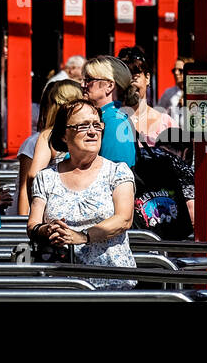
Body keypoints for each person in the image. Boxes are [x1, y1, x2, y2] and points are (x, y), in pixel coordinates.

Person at [27, 99, 136, 288]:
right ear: (64, 135)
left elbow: (124, 219)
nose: (93, 132)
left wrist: (83, 236)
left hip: (112, 284)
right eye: (83, 126)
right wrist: (48, 230)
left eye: (97, 125)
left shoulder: (118, 172)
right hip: (60, 285)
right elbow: (33, 225)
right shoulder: (46, 177)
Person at [13, 80, 84, 215]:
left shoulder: (53, 137)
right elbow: (25, 186)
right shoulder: (37, 141)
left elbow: (32, 177)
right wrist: (24, 220)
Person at [82, 56, 138, 167]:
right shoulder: (107, 117)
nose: (83, 85)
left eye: (89, 80)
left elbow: (115, 173)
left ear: (110, 86)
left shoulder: (114, 122)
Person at [122, 50, 176, 146]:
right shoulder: (112, 120)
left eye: (135, 77)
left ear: (147, 78)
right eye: (126, 78)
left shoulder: (166, 124)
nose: (131, 84)